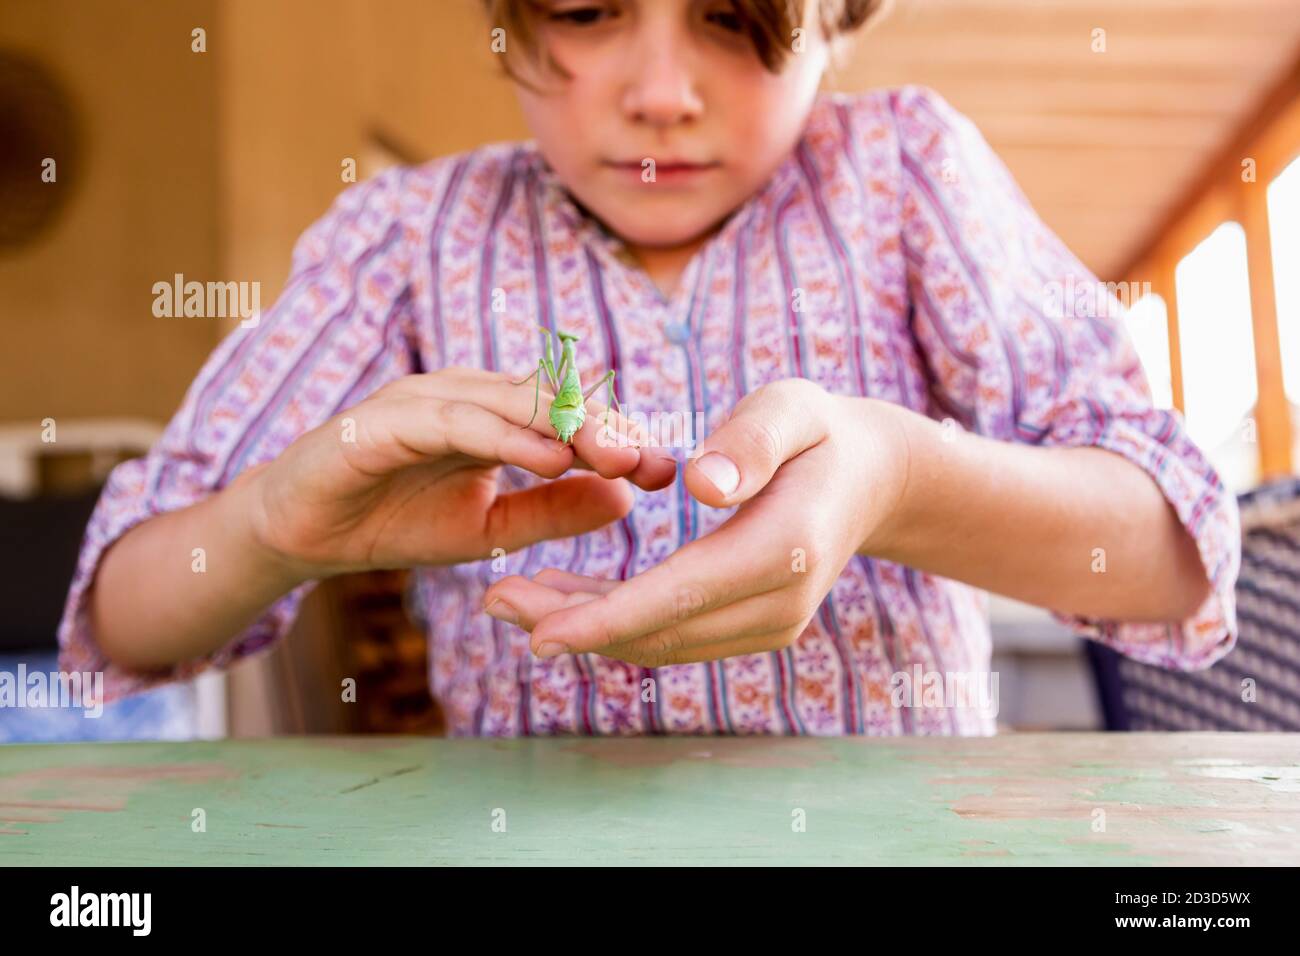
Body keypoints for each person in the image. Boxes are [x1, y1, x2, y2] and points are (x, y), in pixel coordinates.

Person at [59, 0, 1240, 736]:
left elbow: (1172, 556)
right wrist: (275, 524)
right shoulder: (405, 235)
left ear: (837, 13)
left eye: (733, 18)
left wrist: (900, 478)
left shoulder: (908, 173)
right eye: (585, 9)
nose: (659, 95)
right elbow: (127, 612)